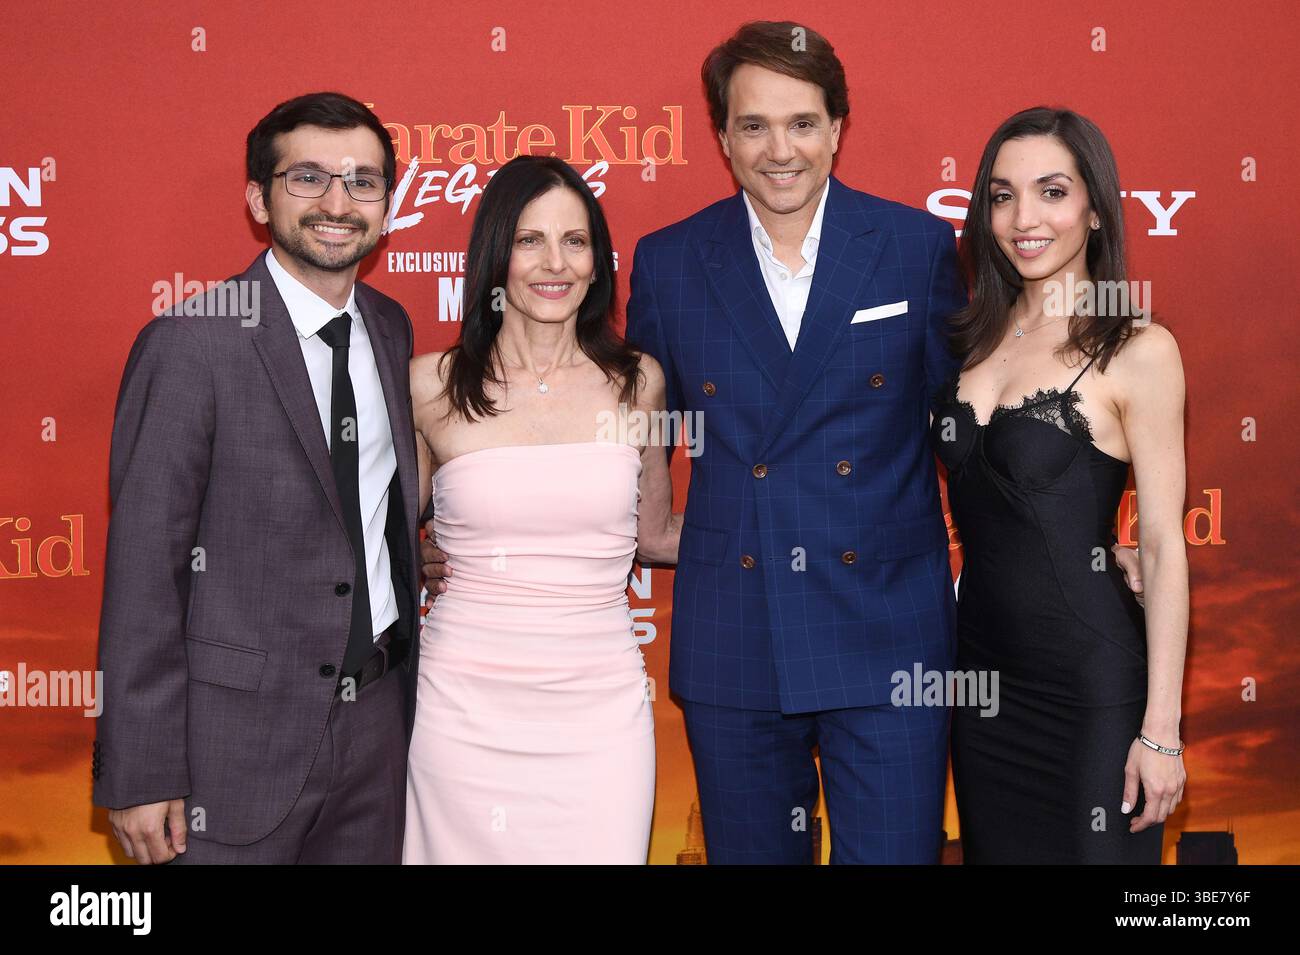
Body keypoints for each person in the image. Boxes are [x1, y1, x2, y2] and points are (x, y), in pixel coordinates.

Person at [92, 92, 420, 863]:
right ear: (257, 198)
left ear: (387, 205)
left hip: (377, 724)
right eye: (308, 177)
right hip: (232, 747)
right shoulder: (190, 345)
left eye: (363, 181)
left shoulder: (391, 327)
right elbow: (145, 570)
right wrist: (140, 772)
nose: (338, 203)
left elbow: (369, 513)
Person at [402, 155, 679, 864]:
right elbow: (373, 537)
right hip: (463, 711)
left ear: (597, 261)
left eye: (575, 241)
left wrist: (803, 525)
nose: (554, 262)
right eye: (530, 240)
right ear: (497, 256)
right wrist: (412, 554)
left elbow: (656, 533)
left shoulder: (637, 381)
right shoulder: (430, 385)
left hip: (599, 716)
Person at [930, 106, 1189, 863]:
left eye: (1051, 191)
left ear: (1096, 210)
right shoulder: (967, 342)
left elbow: (1166, 545)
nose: (1024, 217)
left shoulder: (1138, 347)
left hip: (1092, 690)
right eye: (1003, 195)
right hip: (981, 693)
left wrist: (1161, 731)